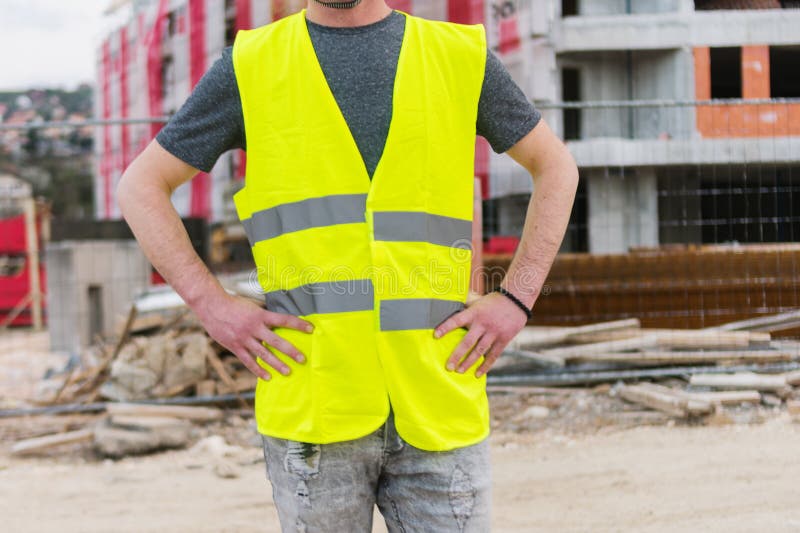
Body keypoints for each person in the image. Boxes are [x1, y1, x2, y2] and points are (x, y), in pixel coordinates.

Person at [118, 0, 578, 531]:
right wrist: (212, 306)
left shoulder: (459, 57)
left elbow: (556, 166)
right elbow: (141, 187)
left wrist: (516, 299)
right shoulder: (251, 65)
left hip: (437, 392)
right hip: (315, 401)